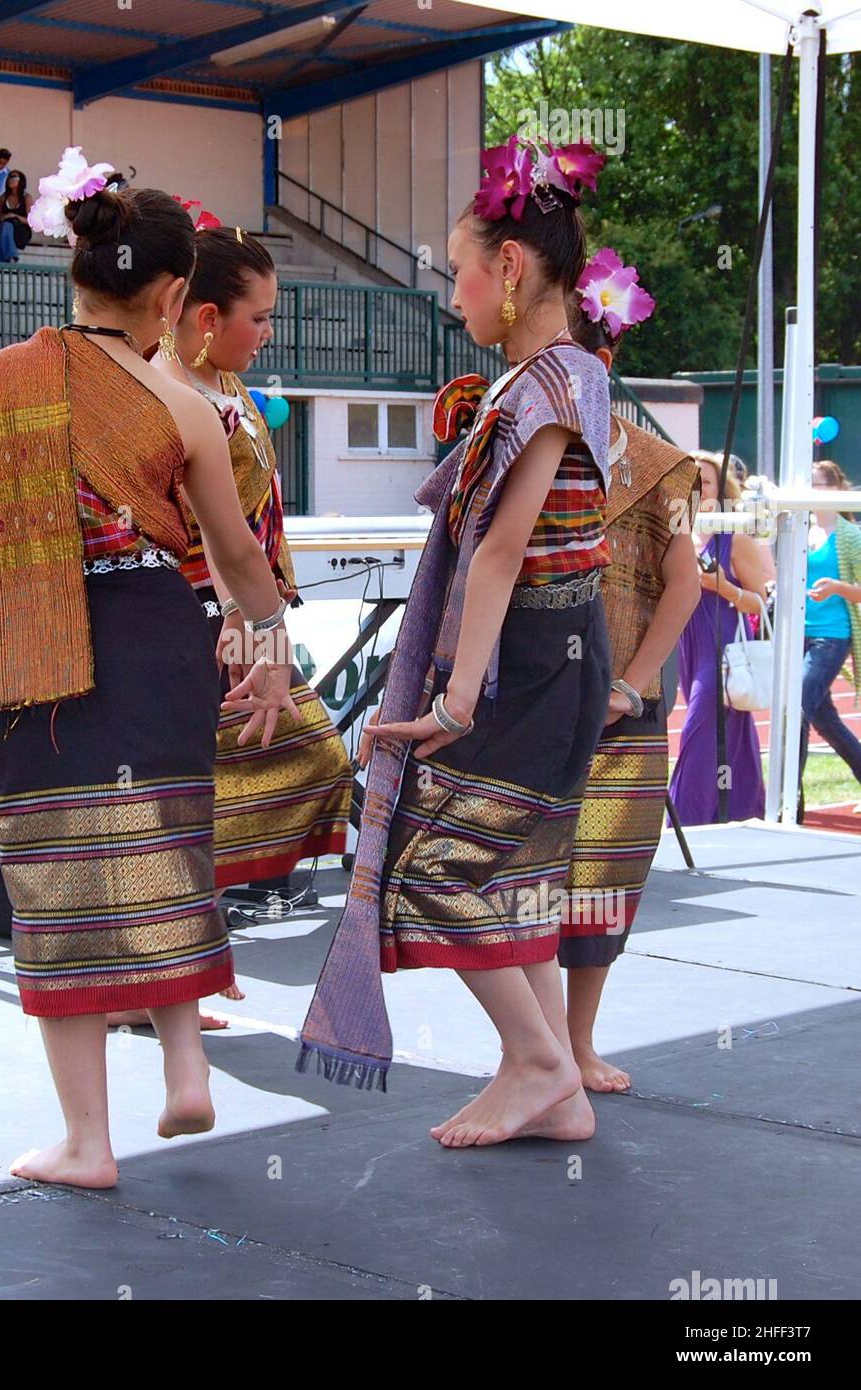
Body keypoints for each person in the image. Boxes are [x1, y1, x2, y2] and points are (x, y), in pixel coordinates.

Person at [0, 153, 298, 1190]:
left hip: (39, 650)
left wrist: (0, 620)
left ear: (73, 271)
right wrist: (270, 659)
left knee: (54, 886)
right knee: (165, 843)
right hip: (158, 640)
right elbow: (241, 561)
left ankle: (87, 1141)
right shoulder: (187, 410)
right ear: (175, 297)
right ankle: (184, 1064)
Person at [299, 133, 614, 1147]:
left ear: (511, 269)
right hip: (565, 654)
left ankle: (536, 1061)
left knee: (439, 870)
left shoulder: (542, 387)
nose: (452, 294)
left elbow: (499, 554)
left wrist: (455, 697)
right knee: (513, 863)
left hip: (523, 664)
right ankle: (552, 1085)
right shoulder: (575, 374)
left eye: (458, 271)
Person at [153, 223, 352, 891]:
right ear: (207, 316)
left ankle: (208, 915)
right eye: (260, 317)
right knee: (193, 783)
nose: (269, 331)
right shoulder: (168, 388)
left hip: (241, 605)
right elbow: (210, 524)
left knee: (296, 757)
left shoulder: (226, 382)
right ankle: (187, 929)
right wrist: (241, 612)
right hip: (201, 614)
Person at [560, 250, 701, 1092]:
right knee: (530, 872)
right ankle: (535, 1046)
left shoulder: (665, 467)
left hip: (628, 700)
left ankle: (576, 1041)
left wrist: (628, 683)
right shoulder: (523, 448)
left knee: (605, 875)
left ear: (602, 366)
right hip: (537, 696)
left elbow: (682, 587)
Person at [668, 451, 774, 824]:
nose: (698, 487)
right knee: (731, 735)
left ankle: (684, 821)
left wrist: (724, 588)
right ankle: (744, 811)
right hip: (687, 647)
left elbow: (759, 601)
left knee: (697, 732)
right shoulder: (678, 535)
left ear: (721, 490)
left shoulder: (735, 539)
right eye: (691, 480)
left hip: (723, 648)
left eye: (707, 480)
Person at [799, 459, 861, 808]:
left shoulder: (850, 537)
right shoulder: (798, 530)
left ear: (836, 489)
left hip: (832, 634)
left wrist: (837, 587)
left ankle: (789, 796)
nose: (809, 491)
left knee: (798, 707)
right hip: (799, 634)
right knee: (826, 721)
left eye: (817, 485)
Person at [0, 170, 32, 262]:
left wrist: (13, 216)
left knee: (6, 226)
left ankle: (7, 257)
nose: (10, 180)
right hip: (5, 228)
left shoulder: (26, 197)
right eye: (9, 177)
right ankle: (10, 258)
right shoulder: (3, 197)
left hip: (20, 231)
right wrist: (2, 217)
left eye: (14, 177)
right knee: (5, 226)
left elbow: (30, 221)